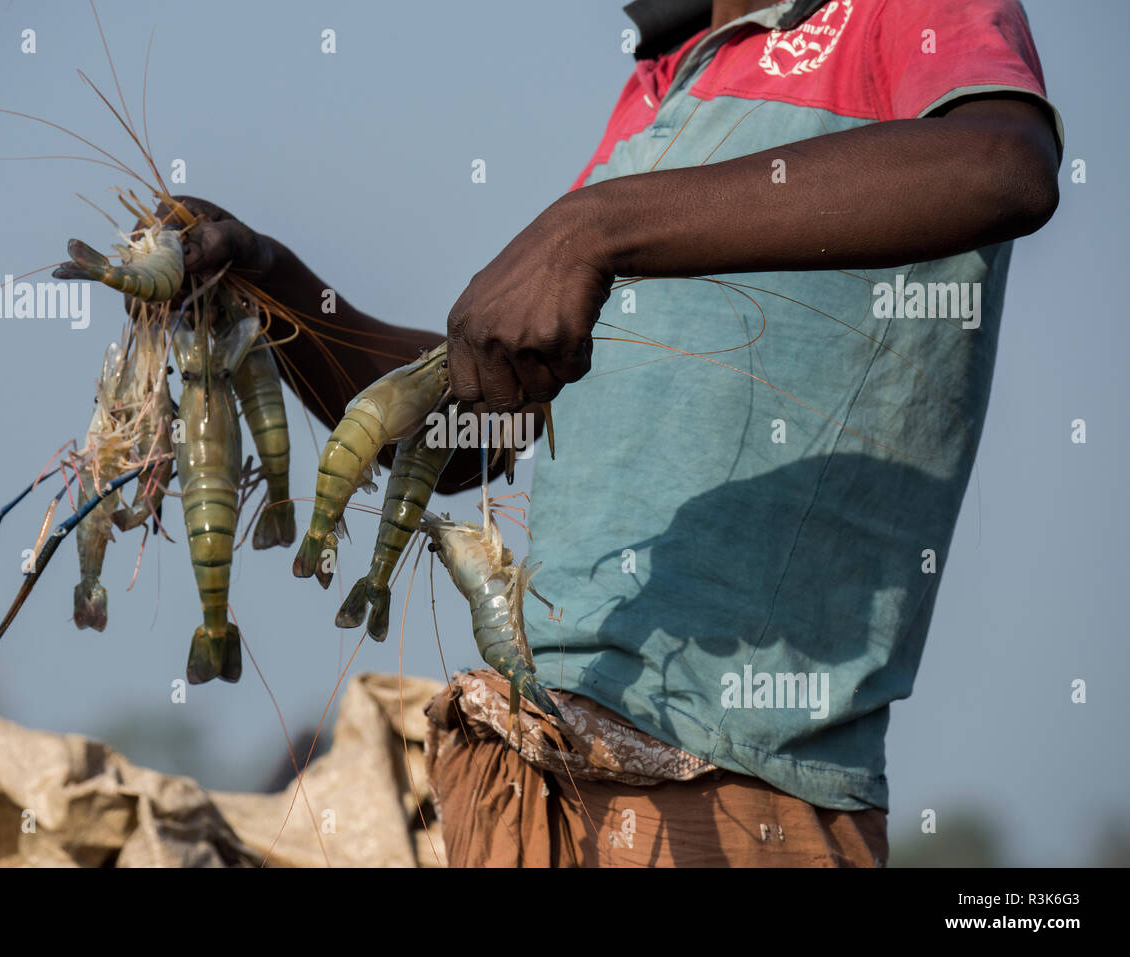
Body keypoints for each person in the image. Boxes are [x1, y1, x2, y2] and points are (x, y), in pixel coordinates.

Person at [163, 0, 1061, 866]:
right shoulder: (658, 90)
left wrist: (591, 228)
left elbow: (1001, 167)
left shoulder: (887, 12)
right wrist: (269, 276)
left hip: (731, 791)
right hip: (538, 773)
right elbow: (467, 425)